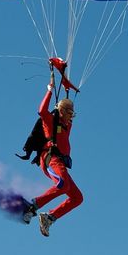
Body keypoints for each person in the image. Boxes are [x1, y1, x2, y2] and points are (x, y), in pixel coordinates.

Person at [24, 69, 83, 237]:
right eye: (69, 113)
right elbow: (42, 111)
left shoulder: (66, 125)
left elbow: (66, 103)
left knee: (77, 197)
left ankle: (49, 217)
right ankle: (32, 206)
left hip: (60, 162)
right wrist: (50, 90)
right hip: (50, 158)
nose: (71, 116)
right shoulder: (50, 121)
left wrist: (66, 85)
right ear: (62, 112)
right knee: (63, 184)